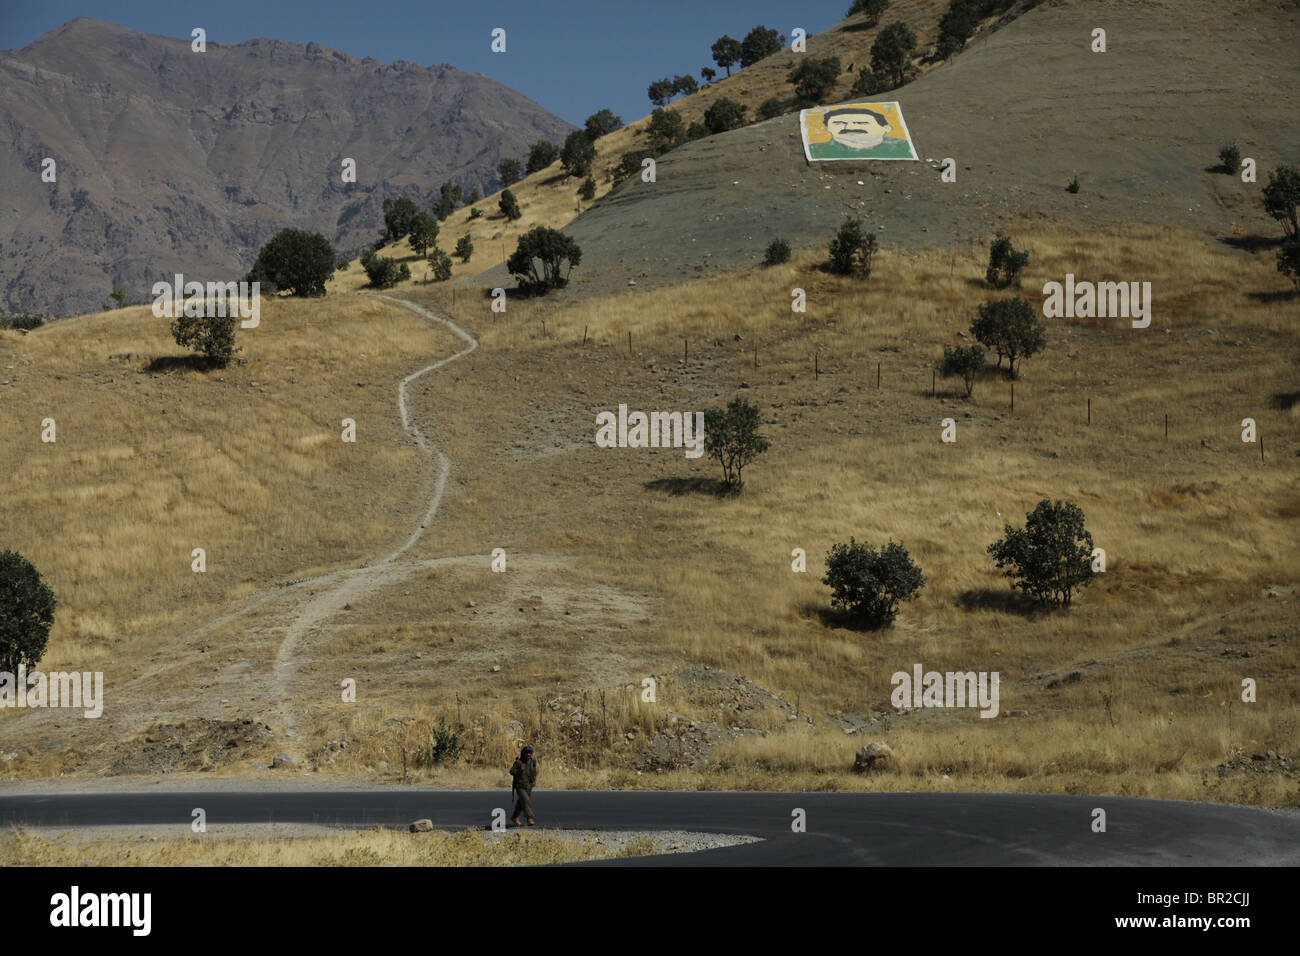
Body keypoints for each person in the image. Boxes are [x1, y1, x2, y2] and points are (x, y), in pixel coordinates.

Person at [807, 106, 915, 160]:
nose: (849, 127)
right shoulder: (816, 149)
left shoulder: (903, 146)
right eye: (838, 123)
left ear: (886, 128)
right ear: (828, 128)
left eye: (861, 123)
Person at [509, 745, 538, 826]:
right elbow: (511, 771)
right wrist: (519, 770)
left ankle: (514, 817)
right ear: (523, 753)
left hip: (528, 785)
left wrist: (534, 780)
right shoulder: (518, 762)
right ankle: (530, 818)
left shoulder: (532, 761)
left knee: (521, 803)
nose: (528, 754)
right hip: (519, 785)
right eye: (527, 753)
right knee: (525, 800)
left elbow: (534, 772)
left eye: (530, 753)